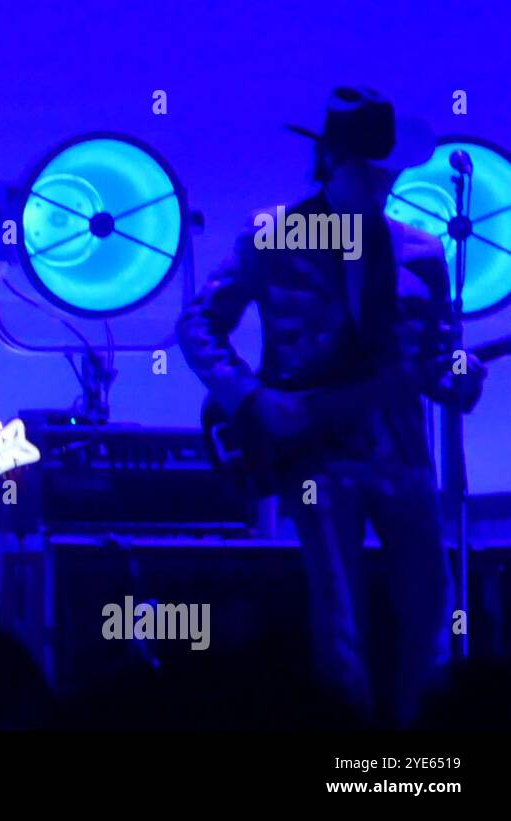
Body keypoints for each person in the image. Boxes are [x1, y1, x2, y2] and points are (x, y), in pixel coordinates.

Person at [177, 87, 487, 727]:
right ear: (332, 159)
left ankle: (421, 761)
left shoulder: (422, 251)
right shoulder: (272, 236)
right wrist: (254, 398)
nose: (382, 186)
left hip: (402, 458)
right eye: (369, 172)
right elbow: (199, 325)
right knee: (338, 615)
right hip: (314, 459)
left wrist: (462, 374)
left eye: (390, 174)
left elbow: (437, 360)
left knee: (432, 607)